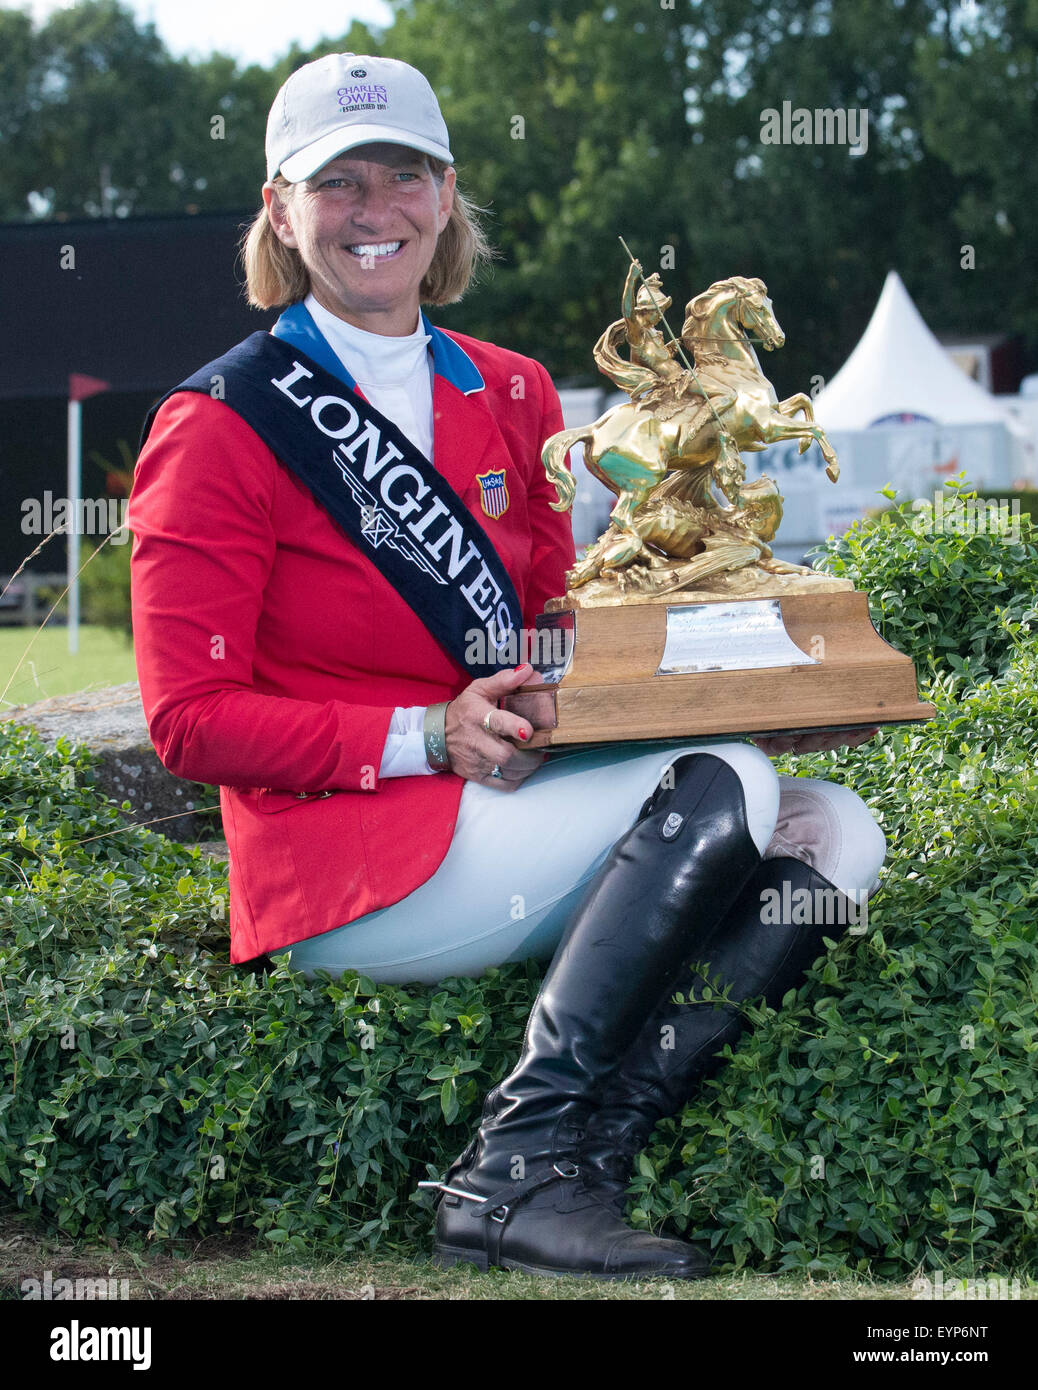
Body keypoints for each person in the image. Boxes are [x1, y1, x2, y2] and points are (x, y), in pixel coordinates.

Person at [127, 51, 885, 1282]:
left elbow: (548, 629)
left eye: (404, 177)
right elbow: (188, 719)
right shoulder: (218, 424)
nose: (376, 210)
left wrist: (726, 690)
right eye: (339, 184)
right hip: (347, 858)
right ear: (281, 210)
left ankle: (587, 1152)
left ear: (447, 196)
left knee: (836, 833)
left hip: (515, 804)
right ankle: (507, 1174)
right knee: (726, 782)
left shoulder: (518, 389)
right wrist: (421, 735)